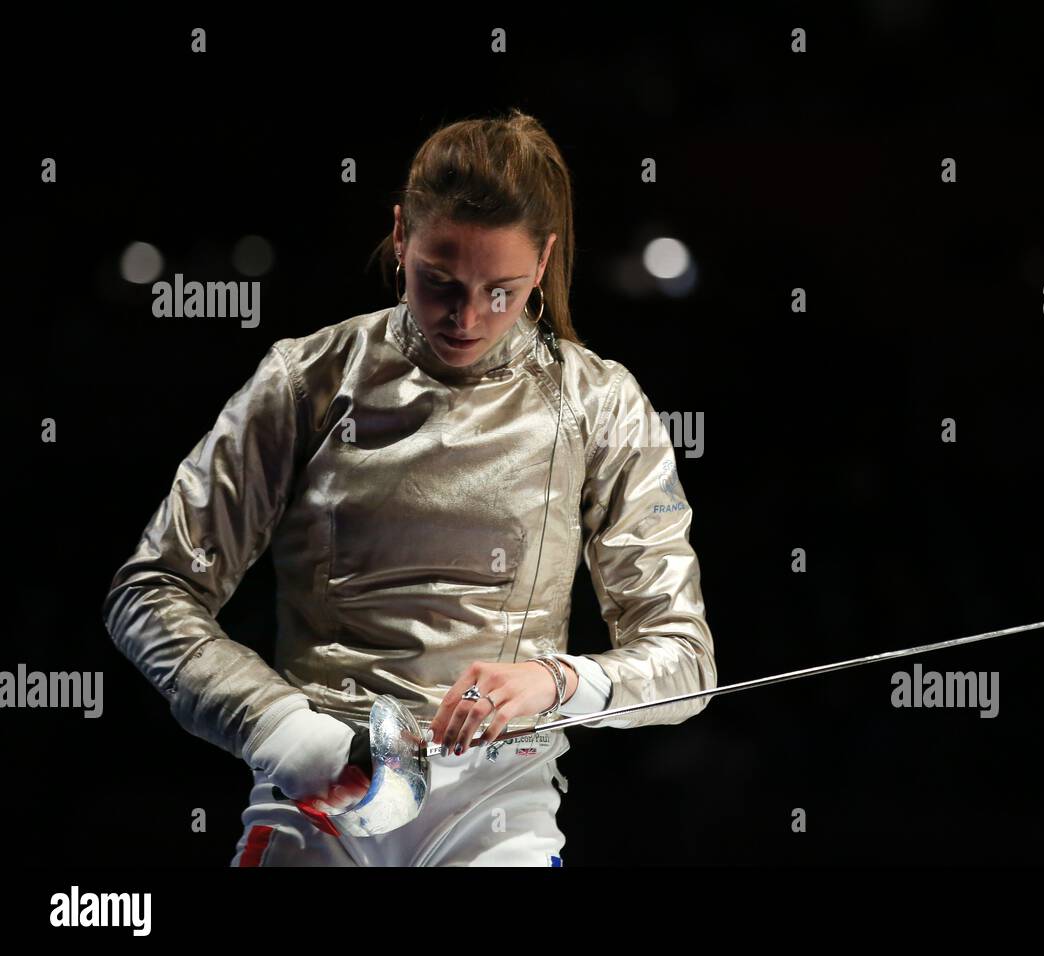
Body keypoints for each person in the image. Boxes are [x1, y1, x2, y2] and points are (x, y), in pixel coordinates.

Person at [100, 108, 718, 866]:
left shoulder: (600, 404)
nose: (465, 316)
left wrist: (556, 682)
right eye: (439, 281)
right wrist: (280, 728)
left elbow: (685, 662)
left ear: (545, 259)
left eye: (502, 290)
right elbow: (151, 589)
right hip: (322, 784)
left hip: (499, 805)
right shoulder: (307, 381)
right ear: (400, 237)